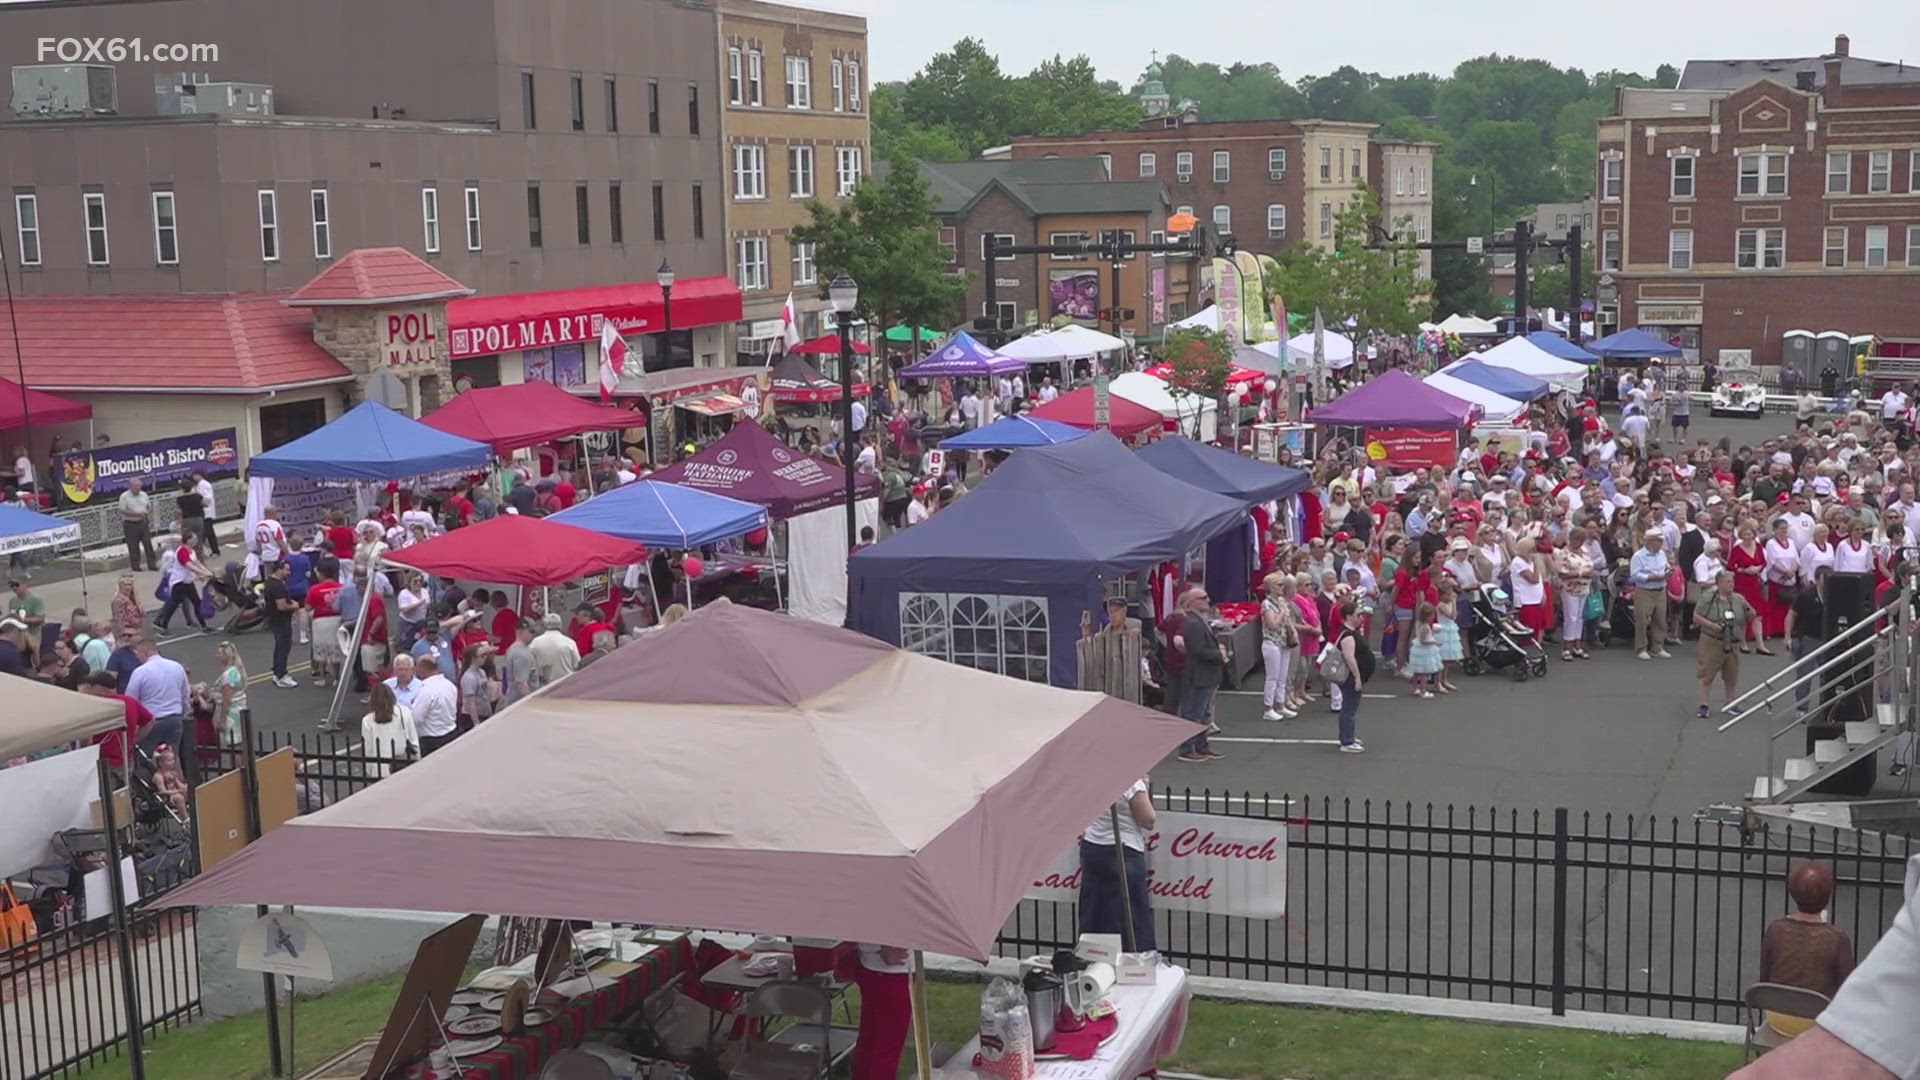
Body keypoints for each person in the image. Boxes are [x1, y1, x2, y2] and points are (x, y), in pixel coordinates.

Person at [1757, 861, 1855, 1038]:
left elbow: (1764, 979)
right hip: (1816, 1023)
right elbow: (1847, 993)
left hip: (1778, 1017)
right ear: (1828, 895)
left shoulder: (1775, 929)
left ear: (1792, 891)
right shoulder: (1837, 938)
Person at [1077, 778, 1157, 952]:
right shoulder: (1131, 781)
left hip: (1093, 845)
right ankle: (1133, 960)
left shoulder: (1090, 777)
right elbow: (1148, 820)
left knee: (1094, 911)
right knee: (1131, 914)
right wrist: (1145, 788)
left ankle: (1093, 956)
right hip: (1122, 849)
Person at [125, 638, 194, 781]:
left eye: (138, 653)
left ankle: (150, 789)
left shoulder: (140, 672)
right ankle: (176, 789)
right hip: (174, 719)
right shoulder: (176, 667)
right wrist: (182, 714)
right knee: (170, 758)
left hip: (151, 721)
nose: (137, 657)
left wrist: (134, 725)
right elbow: (185, 694)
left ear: (145, 652)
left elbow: (130, 700)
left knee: (145, 758)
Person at [1693, 571, 1755, 718]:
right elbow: (1696, 617)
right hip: (1712, 640)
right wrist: (1712, 626)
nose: (1731, 585)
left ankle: (1731, 702)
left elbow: (1748, 613)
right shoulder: (1709, 598)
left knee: (1731, 674)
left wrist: (1750, 613)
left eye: (1732, 582)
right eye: (1727, 582)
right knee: (1706, 673)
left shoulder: (1738, 599)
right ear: (1719, 583)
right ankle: (1703, 705)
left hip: (1732, 642)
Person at [1174, 587, 1224, 762]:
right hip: (1199, 675)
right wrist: (1219, 654)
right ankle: (1187, 749)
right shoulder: (1193, 623)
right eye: (1203, 598)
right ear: (1192, 602)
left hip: (1205, 675)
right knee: (1194, 714)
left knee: (1202, 714)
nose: (1207, 600)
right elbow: (1198, 650)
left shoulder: (1198, 621)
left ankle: (1202, 746)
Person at [1331, 599, 1374, 753]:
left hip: (1354, 676)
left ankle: (1348, 735)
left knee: (1350, 708)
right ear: (1349, 616)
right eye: (1358, 615)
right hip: (1350, 677)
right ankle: (1346, 741)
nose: (1361, 618)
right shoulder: (1348, 635)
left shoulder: (1351, 632)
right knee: (1348, 709)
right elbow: (1349, 658)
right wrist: (1357, 677)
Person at [153, 531, 213, 634]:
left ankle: (203, 625)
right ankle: (162, 624)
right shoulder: (182, 551)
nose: (196, 540)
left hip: (187, 582)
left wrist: (207, 572)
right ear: (188, 540)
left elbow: (197, 563)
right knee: (173, 604)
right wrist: (203, 573)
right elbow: (189, 565)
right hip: (179, 582)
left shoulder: (191, 551)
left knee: (196, 602)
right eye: (194, 538)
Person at [1259, 573, 1299, 721]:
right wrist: (1282, 612)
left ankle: (1281, 705)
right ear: (1270, 587)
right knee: (1272, 677)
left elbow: (1288, 621)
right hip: (1271, 642)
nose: (1282, 588)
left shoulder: (1281, 601)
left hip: (1283, 643)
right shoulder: (1266, 604)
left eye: (1282, 585)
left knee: (1282, 676)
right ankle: (1268, 708)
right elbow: (1272, 624)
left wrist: (1293, 632)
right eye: (1279, 585)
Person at [359, 680, 420, 777]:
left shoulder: (367, 720)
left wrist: (369, 770)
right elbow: (413, 738)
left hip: (380, 767)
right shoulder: (404, 712)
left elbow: (368, 748)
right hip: (403, 762)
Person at [1629, 528, 1671, 660]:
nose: (1660, 544)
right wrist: (1651, 577)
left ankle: (1657, 647)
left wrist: (1668, 572)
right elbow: (1635, 575)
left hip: (1660, 589)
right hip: (1645, 590)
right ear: (1650, 541)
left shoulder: (1662, 554)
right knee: (1642, 619)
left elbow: (1667, 566)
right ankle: (1641, 648)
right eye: (1659, 541)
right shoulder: (1638, 556)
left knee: (1660, 619)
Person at [410, 653, 461, 755]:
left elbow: (416, 717)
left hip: (432, 741)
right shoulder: (450, 685)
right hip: (451, 733)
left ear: (422, 668)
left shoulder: (426, 691)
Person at [262, 559, 299, 687]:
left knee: (280, 646)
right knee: (284, 646)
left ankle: (277, 671)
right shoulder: (277, 586)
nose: (288, 573)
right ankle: (281, 675)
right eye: (286, 570)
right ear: (279, 569)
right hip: (281, 620)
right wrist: (294, 605)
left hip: (276, 619)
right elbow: (282, 606)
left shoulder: (270, 583)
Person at [213, 640, 248, 747]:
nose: (216, 656)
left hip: (231, 714)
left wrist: (222, 720)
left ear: (226, 656)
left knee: (233, 744)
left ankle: (238, 764)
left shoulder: (228, 675)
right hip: (239, 710)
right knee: (239, 743)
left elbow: (226, 700)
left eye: (219, 653)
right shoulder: (236, 670)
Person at [529, 612, 581, 684]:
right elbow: (577, 665)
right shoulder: (570, 643)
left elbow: (530, 666)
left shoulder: (535, 643)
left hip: (544, 686)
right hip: (567, 684)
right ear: (560, 626)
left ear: (544, 625)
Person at [117, 477, 157, 572]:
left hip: (143, 522)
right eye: (135, 487)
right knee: (133, 545)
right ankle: (136, 566)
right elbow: (122, 510)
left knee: (148, 544)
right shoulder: (124, 496)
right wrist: (136, 513)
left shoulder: (144, 495)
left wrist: (148, 512)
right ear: (130, 486)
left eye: (139, 487)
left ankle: (152, 564)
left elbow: (148, 506)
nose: (137, 489)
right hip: (130, 523)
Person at [457, 643, 499, 729]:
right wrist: (476, 723)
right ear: (473, 659)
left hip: (484, 711)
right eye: (482, 656)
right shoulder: (469, 677)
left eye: (486, 655)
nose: (485, 658)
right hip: (472, 717)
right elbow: (470, 703)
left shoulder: (481, 672)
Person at [110, 574, 144, 641]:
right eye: (125, 585)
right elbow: (119, 621)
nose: (128, 587)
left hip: (137, 631)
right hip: (127, 635)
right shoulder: (118, 601)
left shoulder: (134, 599)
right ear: (120, 586)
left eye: (130, 585)